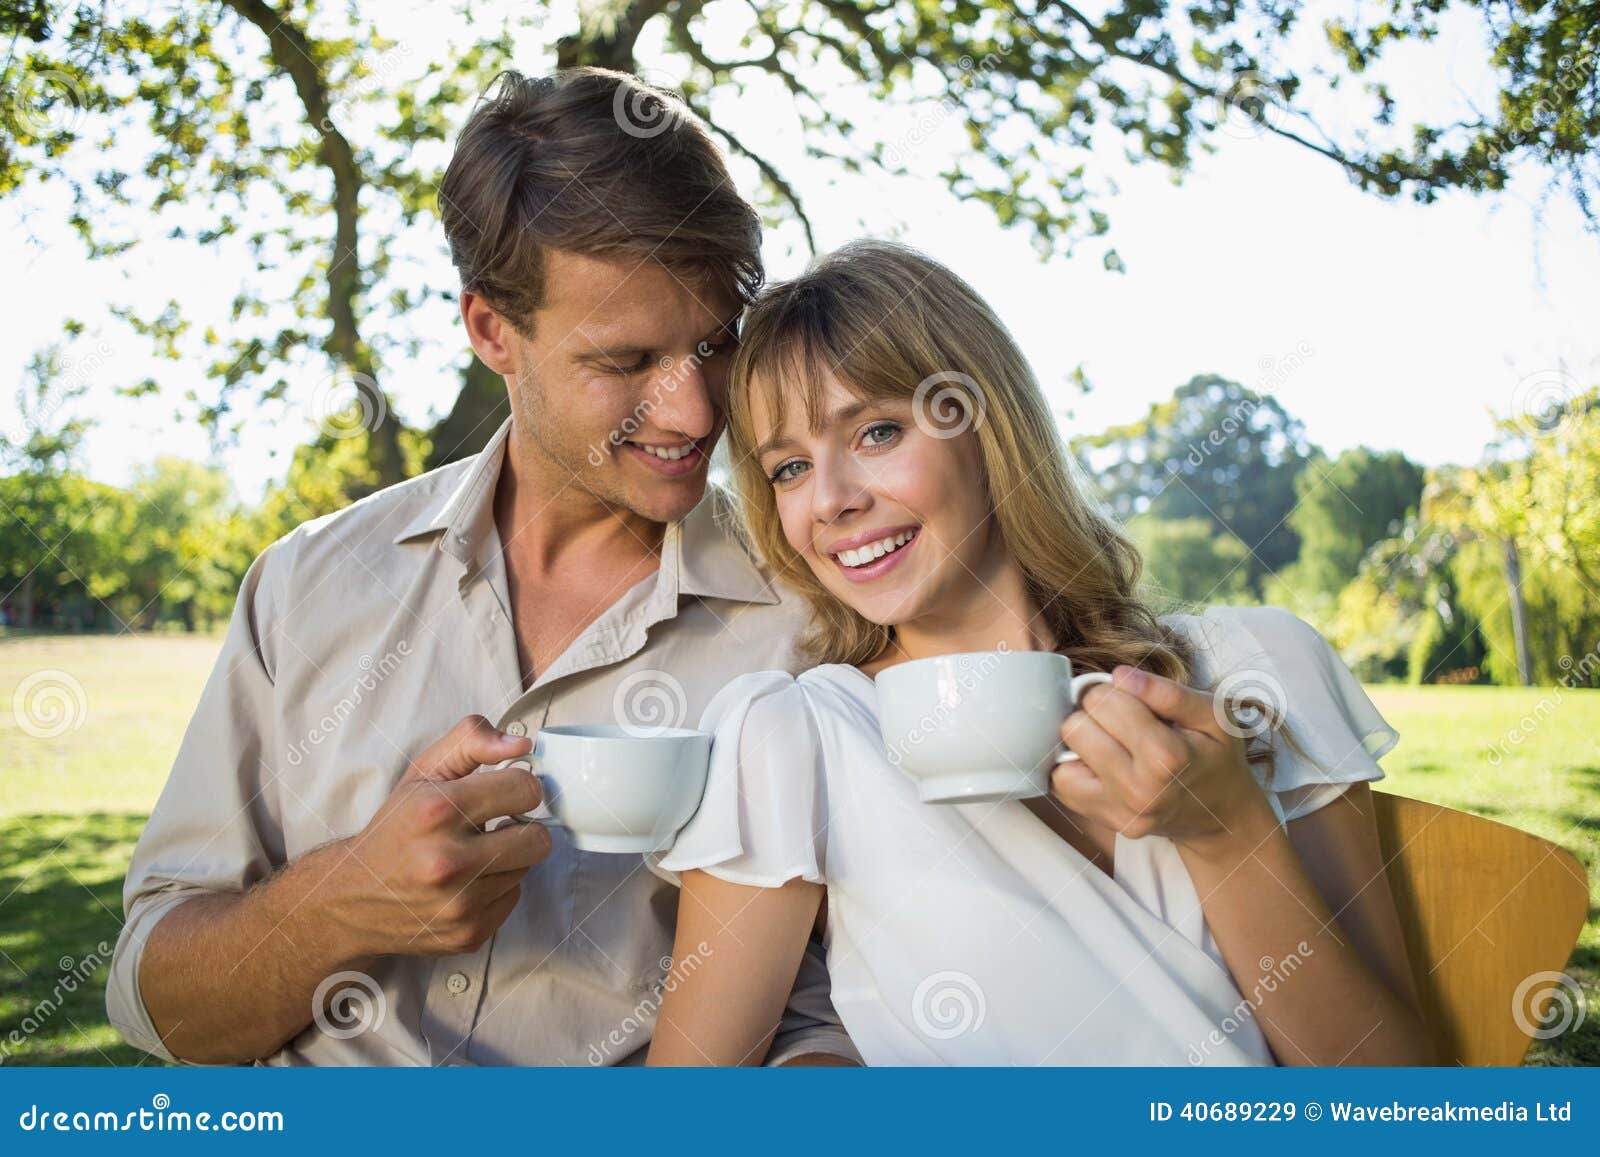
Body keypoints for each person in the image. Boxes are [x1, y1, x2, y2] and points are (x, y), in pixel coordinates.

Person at [105, 69, 858, 1068]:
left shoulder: (817, 615)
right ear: (492, 330)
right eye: (625, 362)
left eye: (715, 344)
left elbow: (852, 1004)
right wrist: (343, 900)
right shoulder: (305, 586)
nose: (692, 411)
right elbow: (160, 1005)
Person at [645, 240, 1436, 1067]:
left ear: (988, 427)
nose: (833, 500)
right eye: (790, 467)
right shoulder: (795, 741)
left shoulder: (1257, 671)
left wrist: (1228, 835)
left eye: (877, 431)